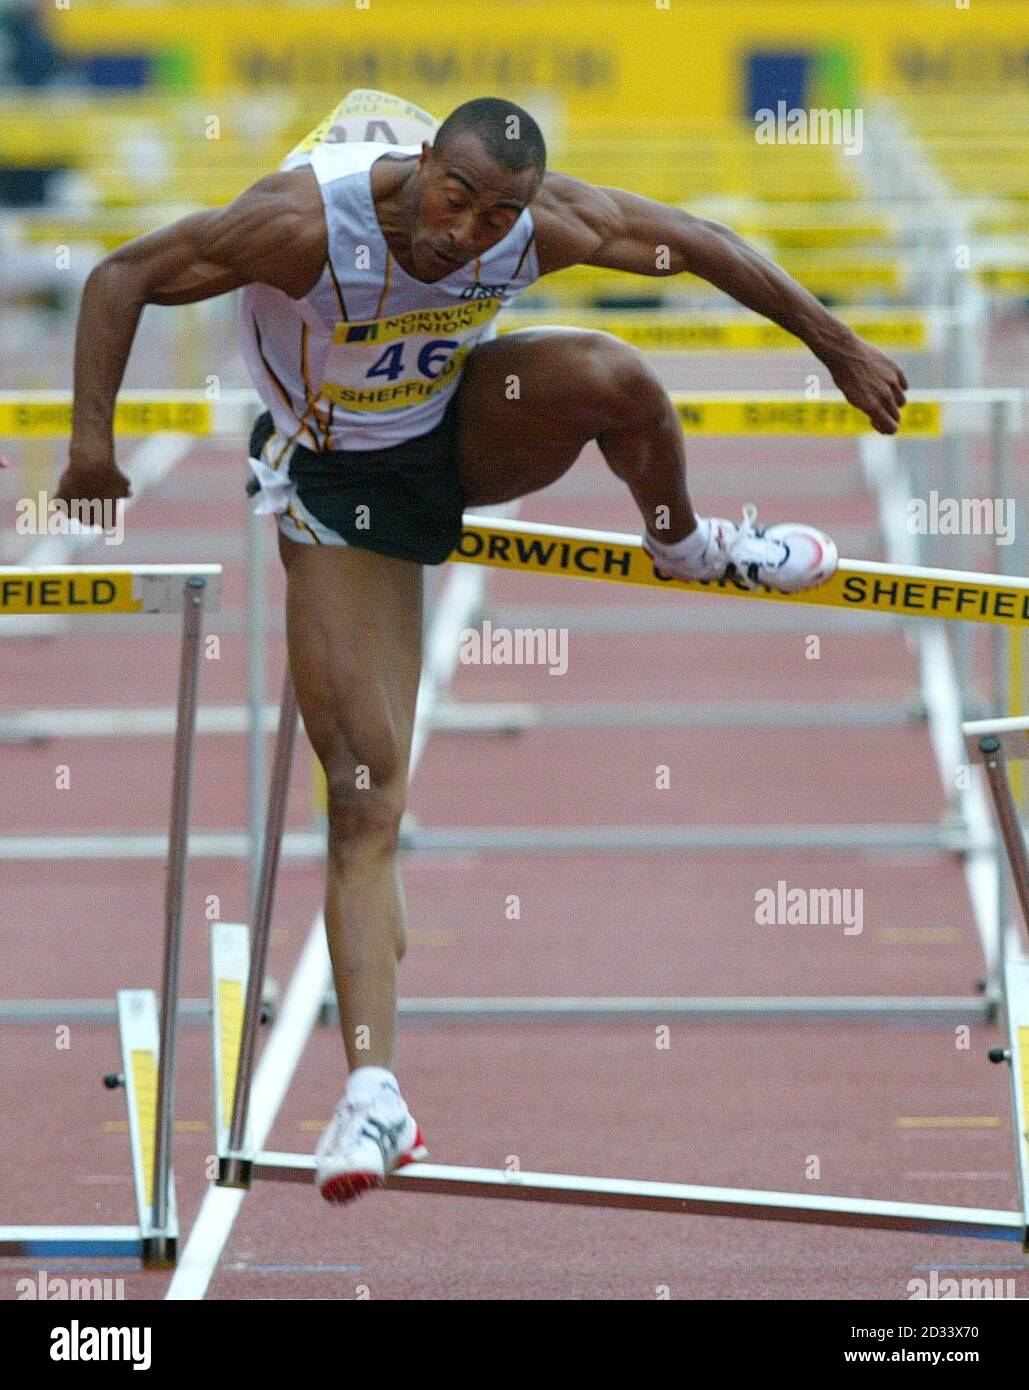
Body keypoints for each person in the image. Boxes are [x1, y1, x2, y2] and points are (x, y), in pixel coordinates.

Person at [58, 89, 908, 1203]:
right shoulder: (304, 227)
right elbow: (121, 275)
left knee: (617, 377)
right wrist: (90, 448)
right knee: (365, 796)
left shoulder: (538, 221)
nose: (466, 233)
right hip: (337, 481)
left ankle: (689, 544)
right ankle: (375, 1095)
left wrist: (838, 347)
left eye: (495, 216)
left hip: (460, 426)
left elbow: (704, 244)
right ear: (419, 168)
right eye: (455, 202)